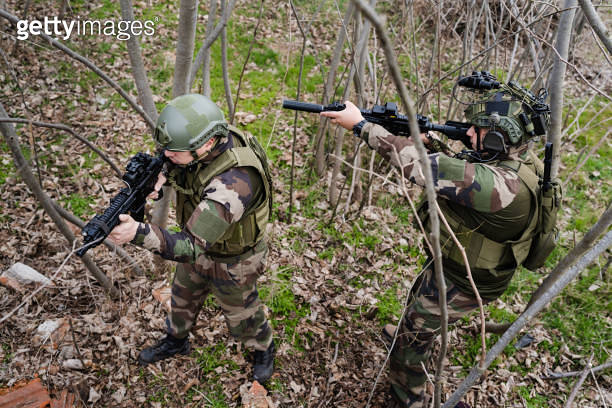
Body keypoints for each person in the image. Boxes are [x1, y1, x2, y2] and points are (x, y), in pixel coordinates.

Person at [321, 78, 552, 407]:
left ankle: (408, 397)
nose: (469, 134)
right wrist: (432, 141)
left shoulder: (503, 189)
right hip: (458, 266)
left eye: (477, 129)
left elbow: (425, 169)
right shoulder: (519, 161)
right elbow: (466, 168)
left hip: (464, 282)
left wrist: (361, 126)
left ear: (502, 136)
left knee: (412, 342)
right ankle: (411, 336)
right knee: (418, 312)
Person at [109, 93, 275, 384]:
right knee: (182, 297)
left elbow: (188, 246)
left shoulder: (236, 181)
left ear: (207, 143)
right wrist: (162, 173)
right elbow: (178, 161)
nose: (166, 154)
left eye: (174, 152)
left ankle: (263, 350)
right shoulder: (201, 142)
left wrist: (138, 233)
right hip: (198, 245)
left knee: (243, 315)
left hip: (233, 260)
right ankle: (176, 340)